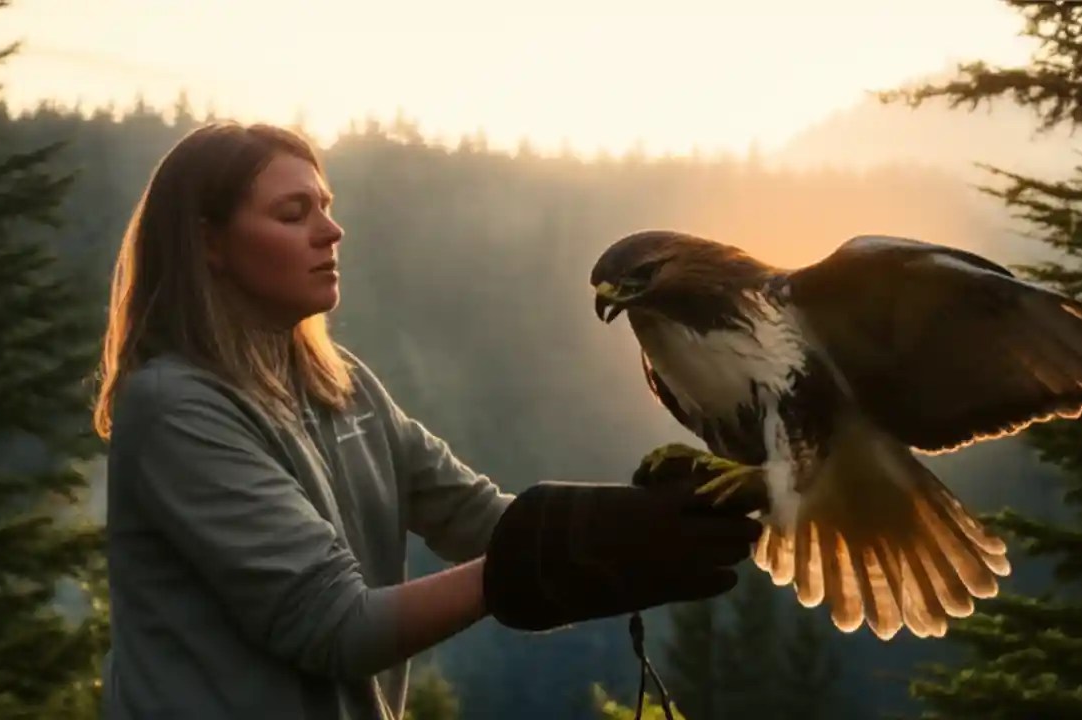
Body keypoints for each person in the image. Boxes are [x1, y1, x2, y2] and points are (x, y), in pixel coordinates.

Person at [92, 121, 762, 720]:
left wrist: (627, 528)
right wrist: (546, 548)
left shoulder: (341, 384)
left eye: (325, 205)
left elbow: (477, 522)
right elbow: (337, 627)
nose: (331, 230)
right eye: (293, 213)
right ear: (209, 244)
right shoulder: (177, 407)